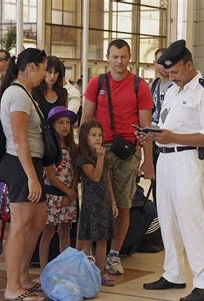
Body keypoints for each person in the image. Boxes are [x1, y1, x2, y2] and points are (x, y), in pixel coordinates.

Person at [141, 39, 204, 301]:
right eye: (168, 73)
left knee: (192, 222)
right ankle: (173, 273)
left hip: (186, 162)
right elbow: (165, 125)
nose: (171, 77)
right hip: (165, 160)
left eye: (175, 72)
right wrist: (151, 136)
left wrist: (174, 136)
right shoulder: (174, 91)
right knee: (168, 219)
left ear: (189, 65)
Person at [81, 39, 154, 275]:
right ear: (107, 57)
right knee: (94, 203)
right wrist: (82, 153)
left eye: (123, 57)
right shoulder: (96, 83)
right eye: (115, 56)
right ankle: (90, 253)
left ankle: (114, 254)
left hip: (127, 152)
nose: (119, 61)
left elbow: (146, 127)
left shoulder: (139, 86)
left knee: (123, 204)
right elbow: (86, 119)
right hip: (98, 149)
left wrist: (148, 160)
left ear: (129, 58)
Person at [0, 48, 48, 301]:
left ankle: (24, 276)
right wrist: (31, 176)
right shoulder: (17, 94)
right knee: (19, 225)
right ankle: (12, 286)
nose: (45, 74)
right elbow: (18, 139)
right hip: (19, 165)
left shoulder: (26, 93)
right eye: (43, 68)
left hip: (30, 163)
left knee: (38, 220)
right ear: (31, 67)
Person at [75, 119, 119, 286]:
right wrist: (100, 159)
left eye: (100, 135)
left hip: (104, 202)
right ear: (85, 137)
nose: (97, 138)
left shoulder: (102, 155)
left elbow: (107, 180)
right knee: (87, 240)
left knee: (102, 240)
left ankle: (101, 272)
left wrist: (113, 202)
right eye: (93, 135)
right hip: (90, 204)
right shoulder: (83, 158)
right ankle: (87, 272)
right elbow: (95, 176)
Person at [39, 106, 79, 269]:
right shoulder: (49, 146)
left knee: (65, 231)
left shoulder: (72, 147)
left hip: (69, 196)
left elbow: (76, 171)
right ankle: (43, 268)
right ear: (52, 125)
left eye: (68, 123)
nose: (65, 126)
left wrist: (71, 193)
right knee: (48, 232)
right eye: (60, 122)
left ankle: (66, 266)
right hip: (53, 195)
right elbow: (50, 175)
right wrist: (68, 191)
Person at [149, 47, 173, 203]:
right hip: (154, 140)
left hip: (171, 139)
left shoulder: (178, 85)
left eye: (166, 63)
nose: (163, 67)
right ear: (154, 63)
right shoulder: (153, 85)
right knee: (156, 183)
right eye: (160, 63)